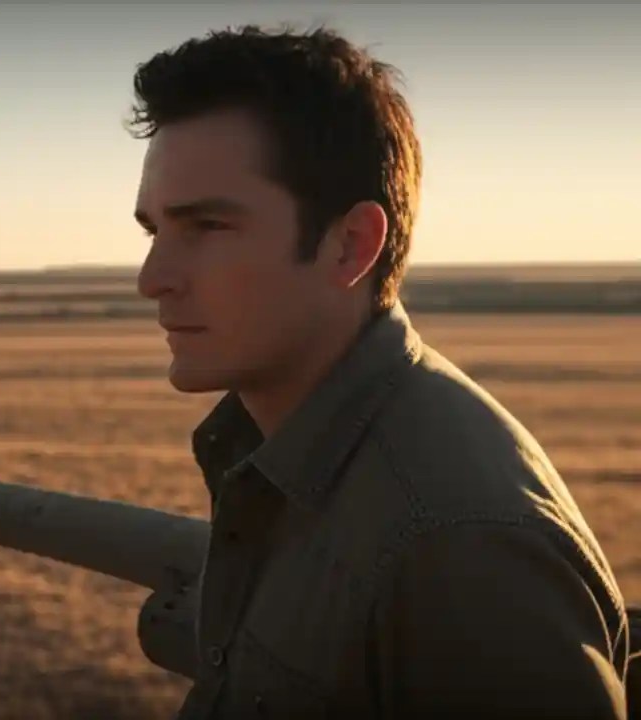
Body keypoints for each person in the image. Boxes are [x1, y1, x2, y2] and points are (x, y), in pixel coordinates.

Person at [130, 24, 631, 719]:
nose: (152, 278)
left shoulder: (458, 541)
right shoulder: (290, 449)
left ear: (351, 245)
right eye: (153, 231)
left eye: (207, 227)